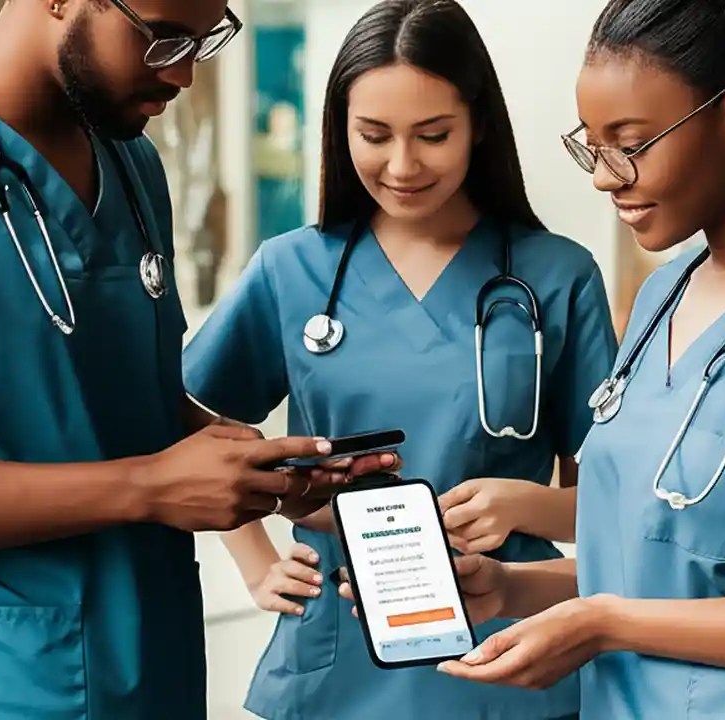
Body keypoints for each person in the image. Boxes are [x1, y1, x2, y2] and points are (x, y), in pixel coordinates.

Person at [341, 1, 725, 718]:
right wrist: (505, 588)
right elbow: (656, 566)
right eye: (591, 145)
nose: (605, 176)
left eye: (630, 142)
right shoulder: (664, 294)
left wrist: (605, 625)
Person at [0, 1, 394, 718]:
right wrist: (149, 487)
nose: (183, 74)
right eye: (163, 39)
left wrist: (252, 469)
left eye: (206, 41)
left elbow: (126, 392)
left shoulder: (132, 162)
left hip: (150, 666)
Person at [181, 1, 618, 718]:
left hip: (505, 652)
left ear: (477, 124)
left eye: (433, 135)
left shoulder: (556, 277)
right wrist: (255, 559)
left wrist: (529, 504)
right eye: (374, 135)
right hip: (337, 656)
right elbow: (192, 420)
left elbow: (618, 505)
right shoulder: (292, 270)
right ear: (339, 128)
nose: (403, 165)